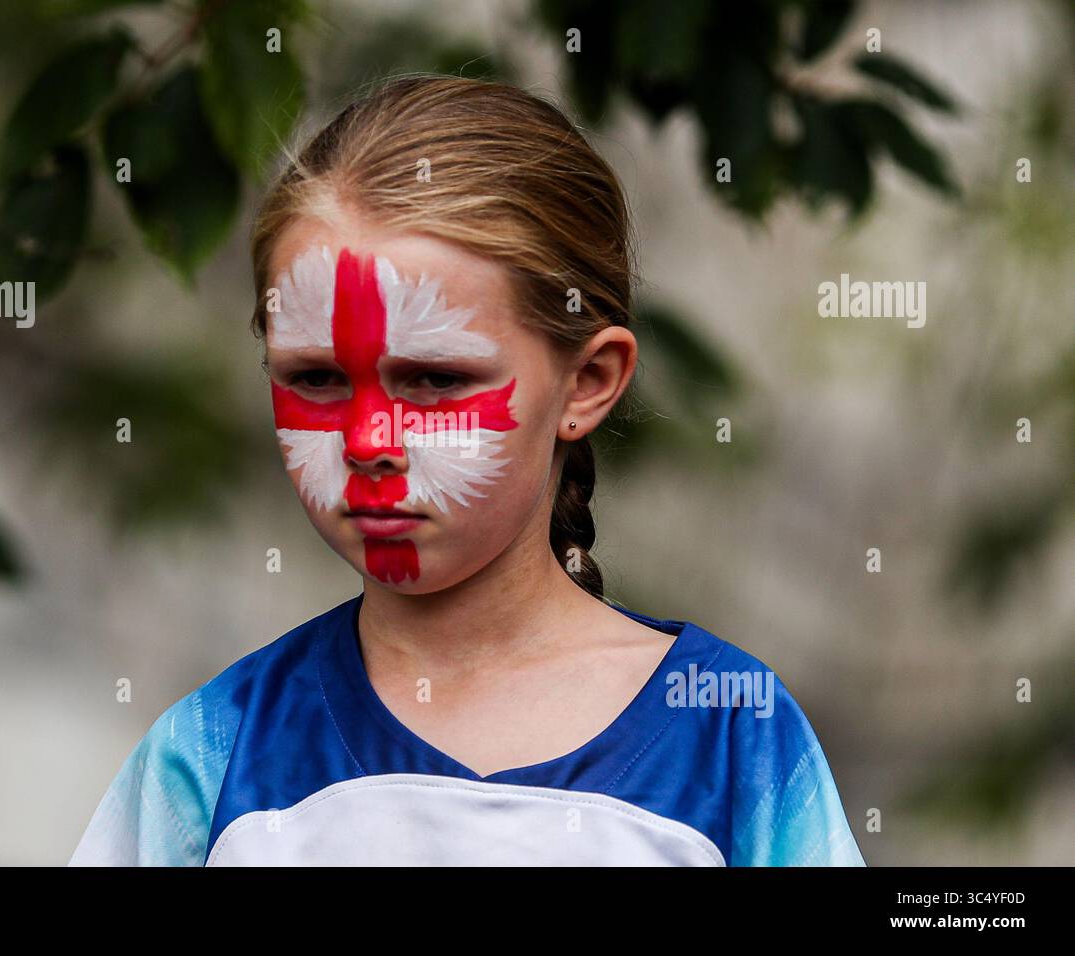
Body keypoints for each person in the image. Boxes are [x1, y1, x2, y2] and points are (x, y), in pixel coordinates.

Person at [69, 75, 866, 866]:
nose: (368, 440)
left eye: (435, 380)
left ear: (587, 384)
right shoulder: (215, 755)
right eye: (315, 379)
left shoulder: (732, 738)